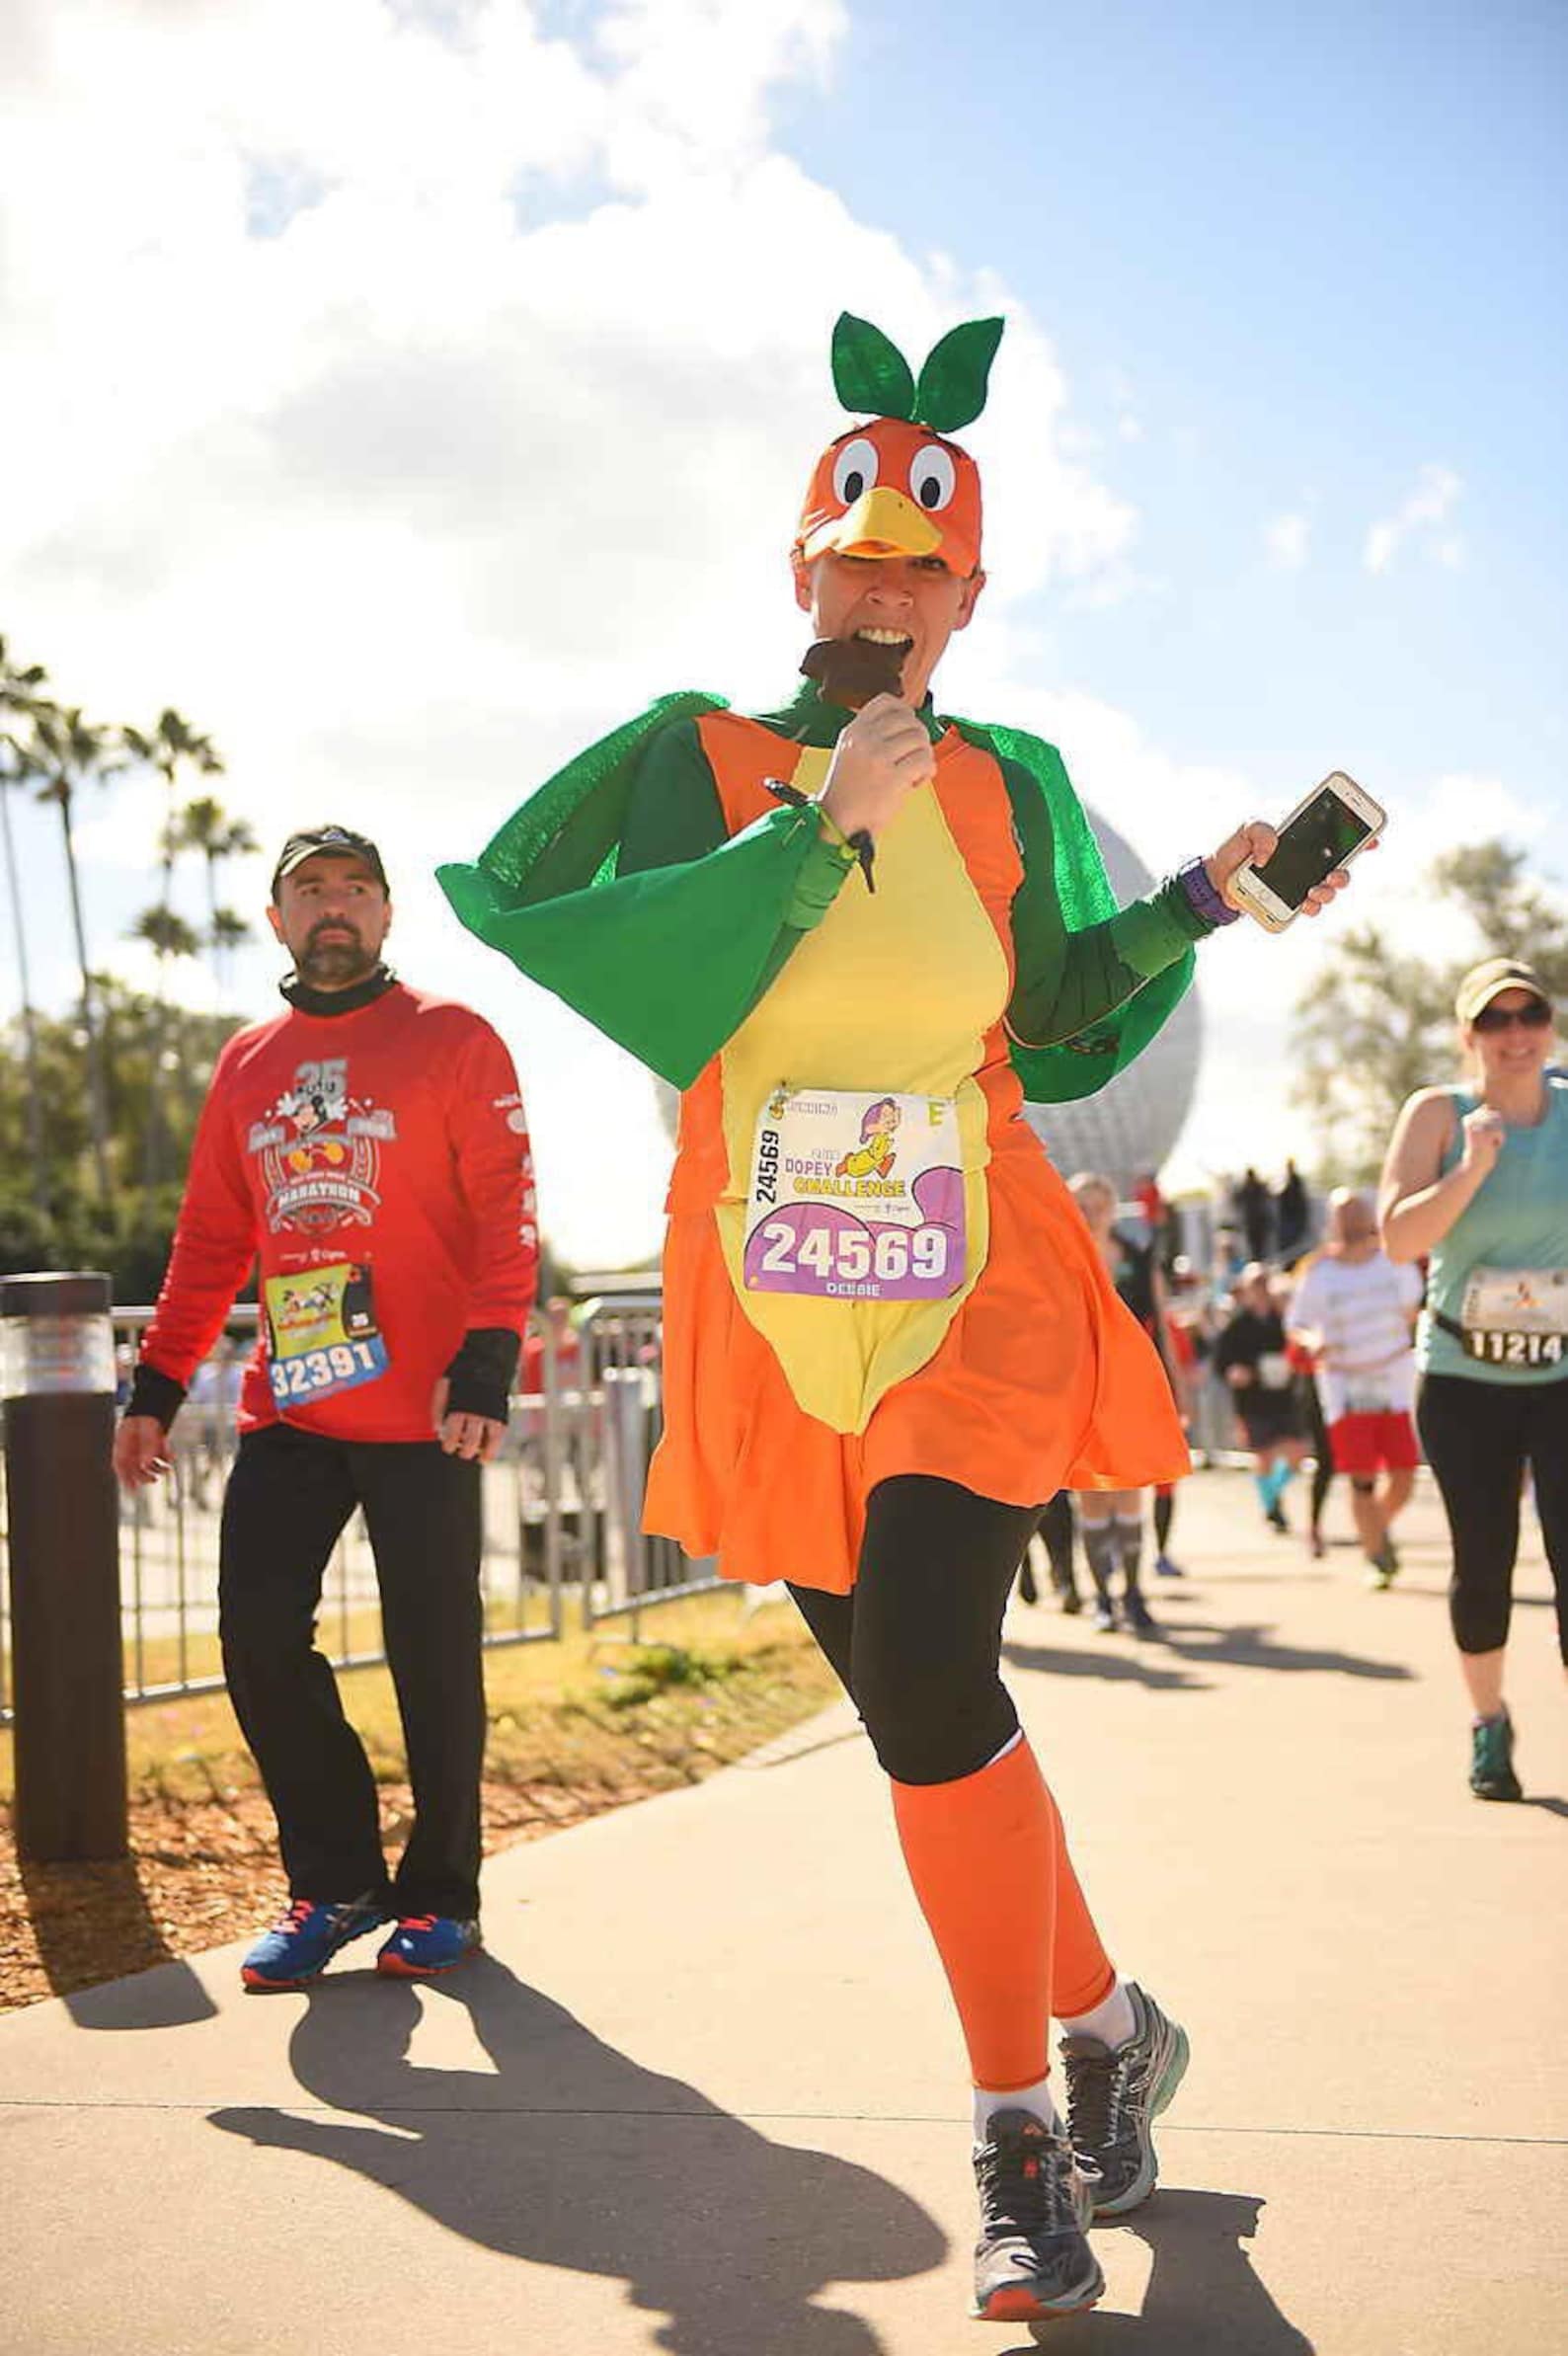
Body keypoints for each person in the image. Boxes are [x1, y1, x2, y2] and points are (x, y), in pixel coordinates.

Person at [436, 310, 1355, 2324]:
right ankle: (1110, 2017)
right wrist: (805, 821)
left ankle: (1018, 2129)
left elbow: (1045, 1013)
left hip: (971, 1268)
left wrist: (1201, 900)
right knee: (922, 1713)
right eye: (851, 562)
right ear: (797, 575)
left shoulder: (1010, 771)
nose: (882, 594)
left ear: (966, 597)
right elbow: (532, 904)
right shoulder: (694, 757)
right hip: (769, 1291)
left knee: (935, 1663)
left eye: (917, 572)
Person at [114, 825, 538, 1984]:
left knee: (432, 1657)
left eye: (356, 888)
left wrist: (487, 1359)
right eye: (312, 891)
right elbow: (209, 1238)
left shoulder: (452, 1037)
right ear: (279, 919)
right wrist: (156, 1383)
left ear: (387, 915)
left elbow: (505, 1208)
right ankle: (338, 1882)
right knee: (255, 1639)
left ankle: (442, 1895)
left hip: (428, 1409)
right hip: (293, 1405)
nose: (335, 907)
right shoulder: (249, 1062)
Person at [1379, 956, 1568, 1802]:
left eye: (1531, 1016)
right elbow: (1397, 1240)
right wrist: (1472, 1169)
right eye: (1496, 1021)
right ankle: (1489, 1726)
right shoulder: (1440, 1115)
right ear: (1470, 1036)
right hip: (1464, 1379)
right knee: (1484, 1560)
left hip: (1560, 1374)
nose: (1517, 1035)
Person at [1287, 1188, 1422, 1588]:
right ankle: (1377, 1554)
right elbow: (1297, 1323)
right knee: (1361, 1477)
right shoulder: (1318, 1272)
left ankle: (1375, 1532)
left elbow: (1414, 1308)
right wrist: (1313, 1342)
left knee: (1403, 1476)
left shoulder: (1393, 1260)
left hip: (1392, 1379)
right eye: (1342, 1214)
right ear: (1331, 1222)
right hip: (1344, 1384)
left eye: (1358, 1212)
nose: (1351, 1221)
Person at [1066, 1172, 1174, 1632]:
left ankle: (1133, 1590)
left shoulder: (1135, 1257)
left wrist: (1176, 1386)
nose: (1091, 1213)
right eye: (1082, 1204)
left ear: (1113, 1208)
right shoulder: (1060, 1255)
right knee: (1090, 1494)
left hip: (1129, 1385)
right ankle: (1102, 1597)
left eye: (1099, 1204)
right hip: (1078, 1388)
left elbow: (1161, 1322)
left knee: (1131, 1489)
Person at [1213, 1264, 1308, 1531]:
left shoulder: (1284, 1321)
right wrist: (1234, 1373)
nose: (1261, 1290)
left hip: (1284, 1397)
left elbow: (1298, 1349)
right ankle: (1272, 1507)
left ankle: (1272, 1495)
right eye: (1255, 1285)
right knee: (1264, 1457)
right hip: (1253, 1400)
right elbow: (1222, 1363)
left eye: (1264, 1283)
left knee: (1297, 1452)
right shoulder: (1237, 1326)